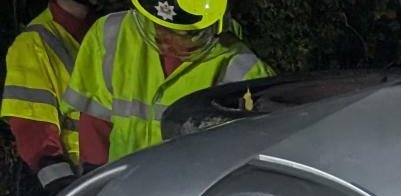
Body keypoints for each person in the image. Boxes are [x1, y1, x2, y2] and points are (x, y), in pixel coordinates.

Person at [62, 0, 269, 170]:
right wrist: (94, 184)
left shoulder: (244, 71)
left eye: (181, 34)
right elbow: (95, 120)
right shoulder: (111, 35)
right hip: (120, 190)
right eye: (160, 28)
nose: (166, 41)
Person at [2, 1, 100, 195]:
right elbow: (33, 131)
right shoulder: (33, 43)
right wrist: (64, 192)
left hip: (114, 175)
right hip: (80, 181)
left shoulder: (101, 31)